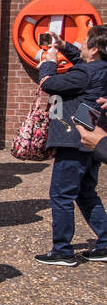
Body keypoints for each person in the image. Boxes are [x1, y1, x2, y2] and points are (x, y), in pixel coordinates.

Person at [32, 27, 107, 264]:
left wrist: (49, 61)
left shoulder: (84, 73)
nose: (80, 46)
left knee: (61, 194)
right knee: (85, 193)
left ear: (94, 49)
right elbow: (82, 60)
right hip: (93, 138)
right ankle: (105, 243)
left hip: (73, 139)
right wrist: (64, 46)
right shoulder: (100, 68)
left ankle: (62, 250)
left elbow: (48, 83)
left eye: (84, 43)